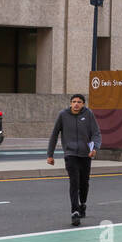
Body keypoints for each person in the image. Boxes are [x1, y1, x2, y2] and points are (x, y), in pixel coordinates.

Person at [47, 93, 101, 226]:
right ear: (70, 103)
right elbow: (54, 134)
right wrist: (50, 154)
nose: (76, 104)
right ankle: (74, 212)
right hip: (70, 154)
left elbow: (96, 133)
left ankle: (83, 203)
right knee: (74, 183)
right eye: (74, 101)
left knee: (84, 183)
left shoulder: (88, 114)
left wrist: (95, 148)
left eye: (79, 102)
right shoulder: (63, 115)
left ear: (83, 104)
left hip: (85, 155)